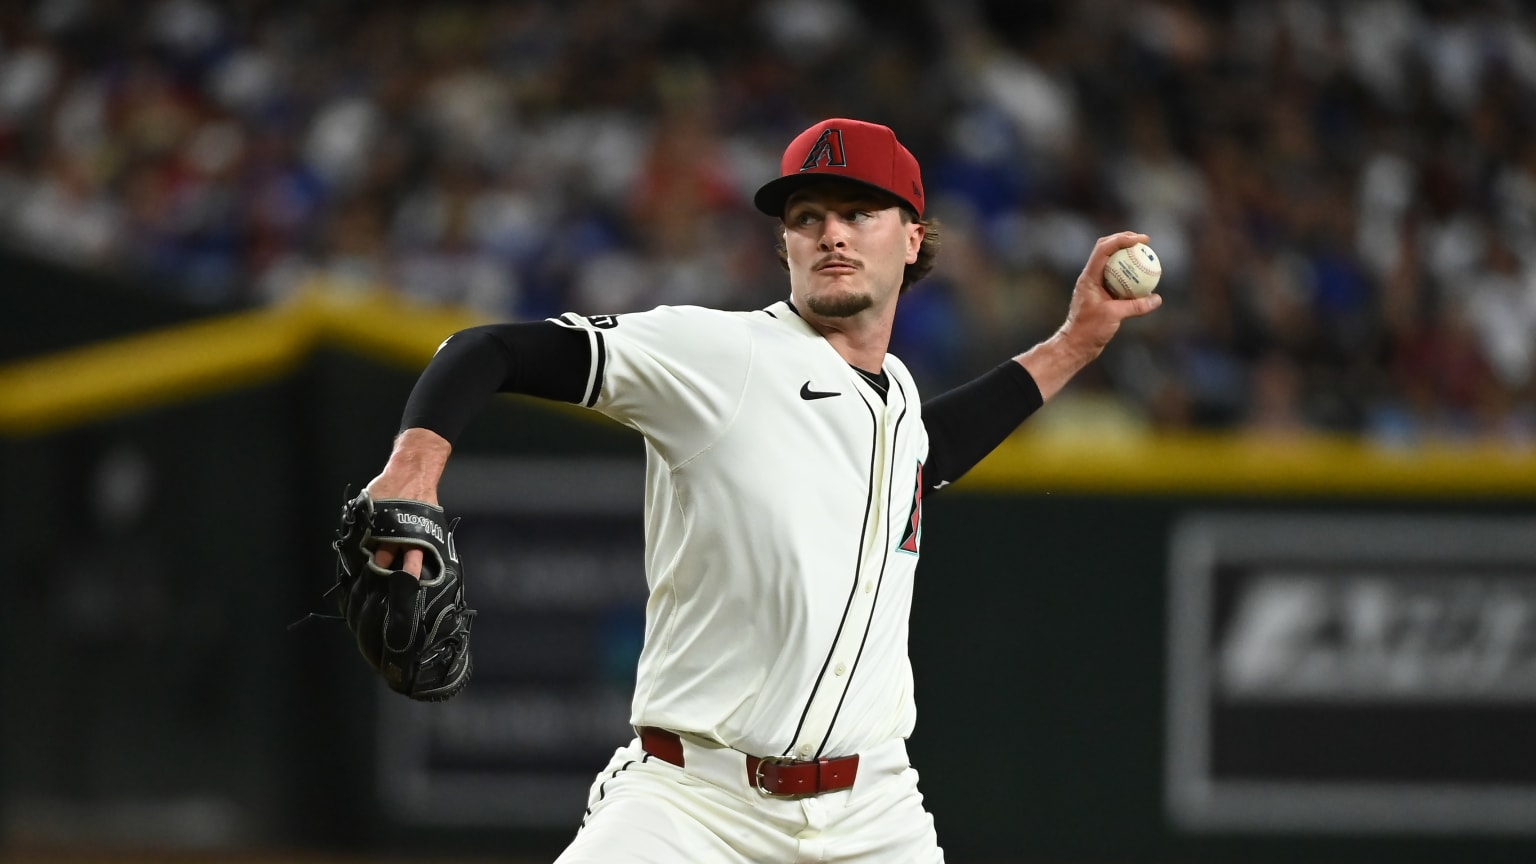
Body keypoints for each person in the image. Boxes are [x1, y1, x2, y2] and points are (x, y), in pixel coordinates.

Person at [362, 118, 1161, 862]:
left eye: (859, 212)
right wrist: (414, 466)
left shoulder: (895, 395)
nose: (831, 233)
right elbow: (487, 350)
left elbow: (926, 454)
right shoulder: (720, 354)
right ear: (785, 244)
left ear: (913, 238)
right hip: (693, 806)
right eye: (808, 217)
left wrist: (1074, 343)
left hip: (874, 813)